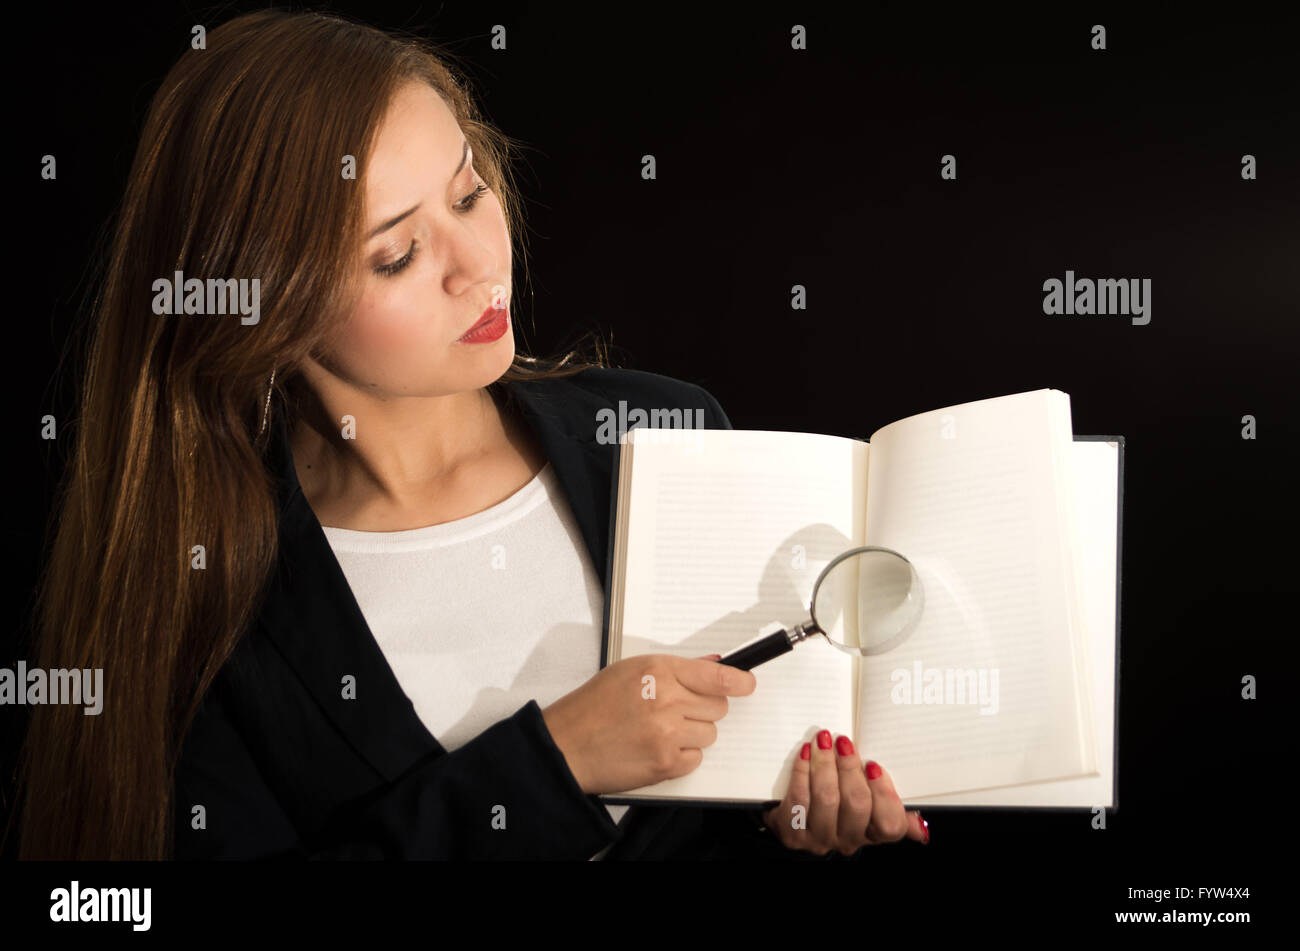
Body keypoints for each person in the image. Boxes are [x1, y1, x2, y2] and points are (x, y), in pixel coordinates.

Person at [12, 9, 927, 860]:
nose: (480, 266)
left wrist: (800, 830)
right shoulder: (214, 597)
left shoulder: (662, 430)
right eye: (397, 254)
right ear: (268, 310)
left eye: (467, 192)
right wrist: (551, 764)